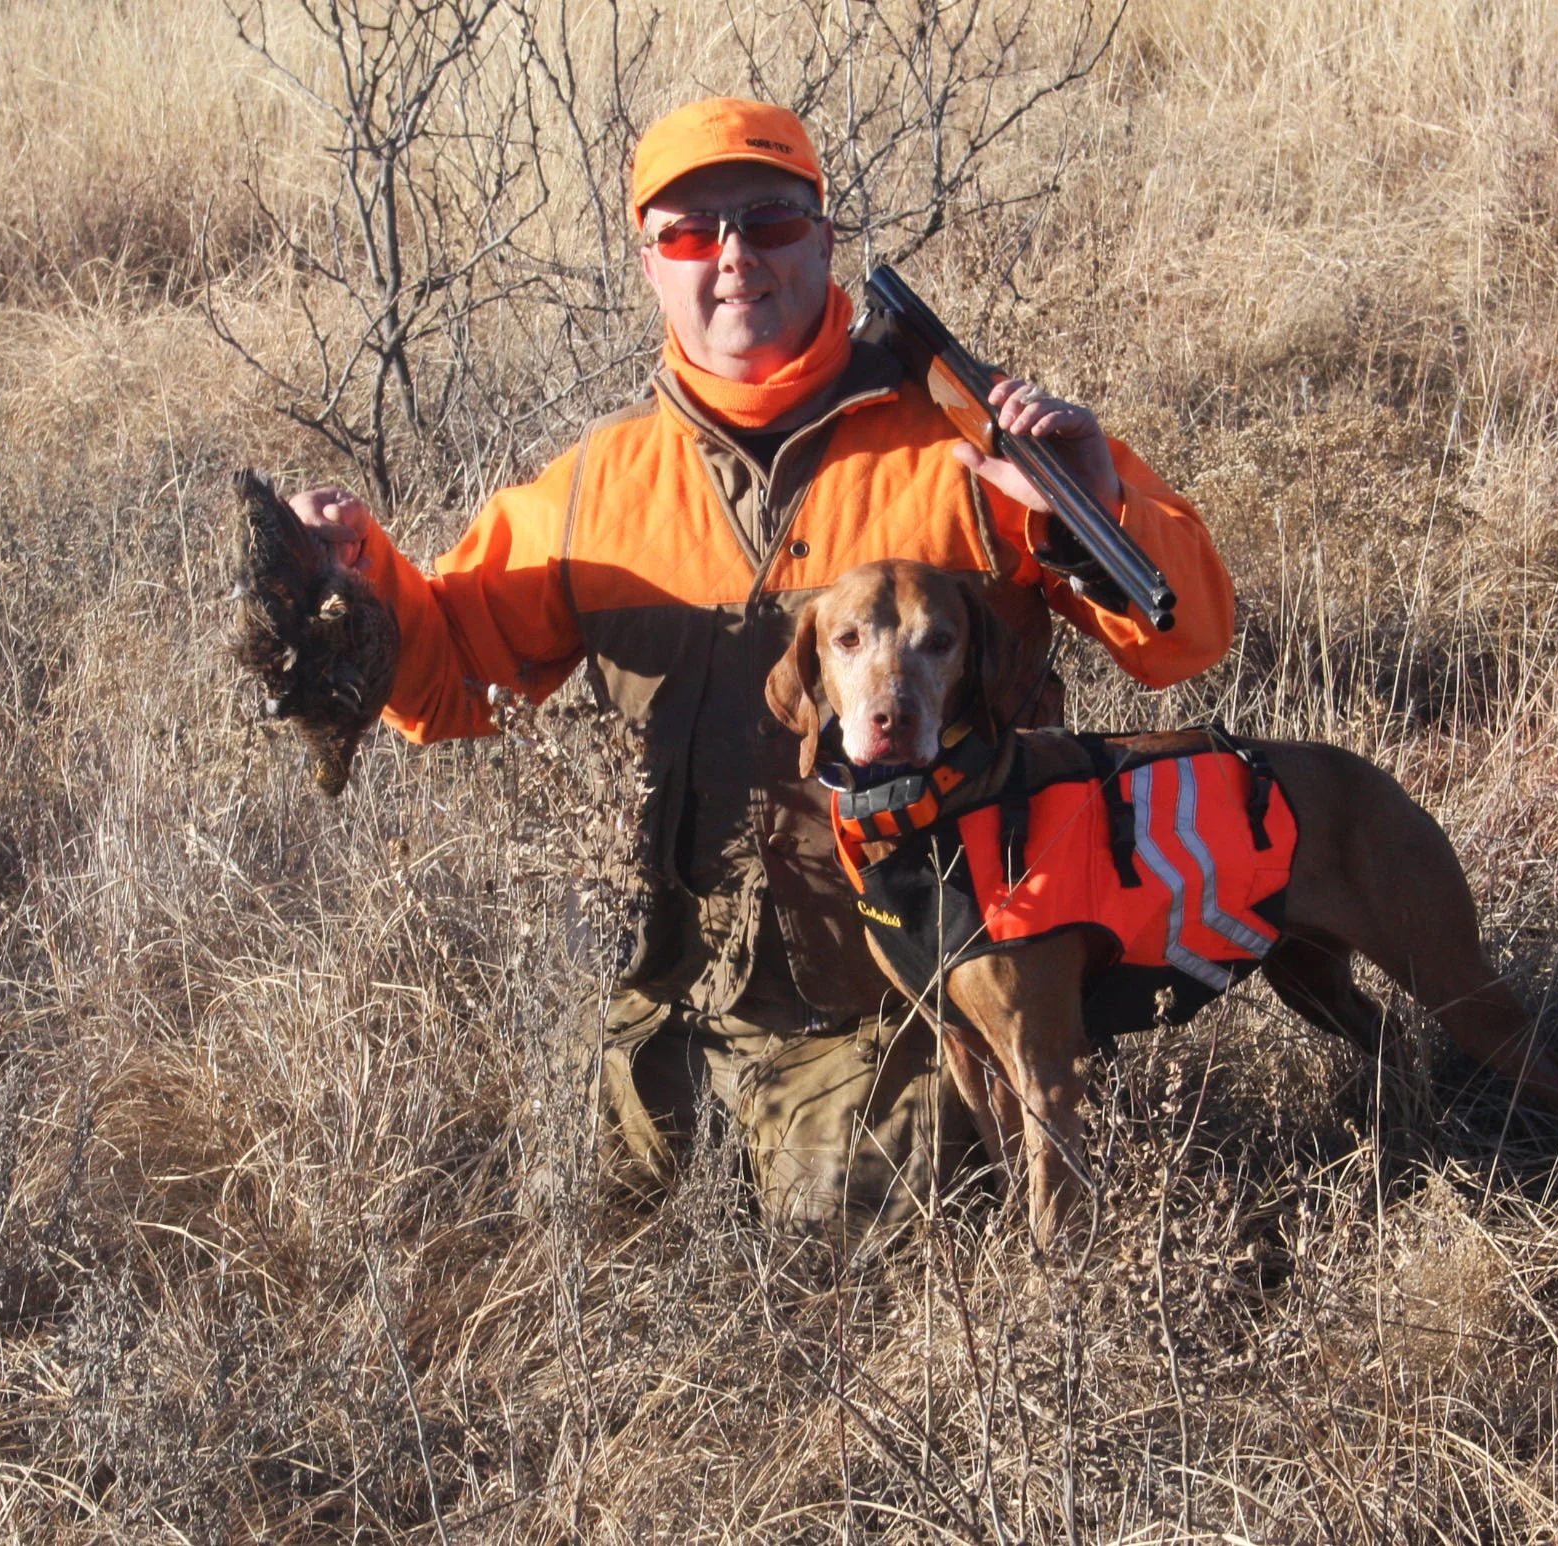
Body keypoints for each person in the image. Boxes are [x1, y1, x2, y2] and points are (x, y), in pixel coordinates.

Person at [288, 97, 1236, 1238]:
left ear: (824, 240)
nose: (733, 257)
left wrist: (1093, 509)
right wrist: (351, 582)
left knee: (877, 1218)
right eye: (689, 233)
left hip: (915, 994)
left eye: (771, 222)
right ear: (648, 264)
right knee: (578, 1229)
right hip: (675, 1003)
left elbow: (1187, 636)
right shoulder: (597, 490)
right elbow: (441, 688)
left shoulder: (967, 449)